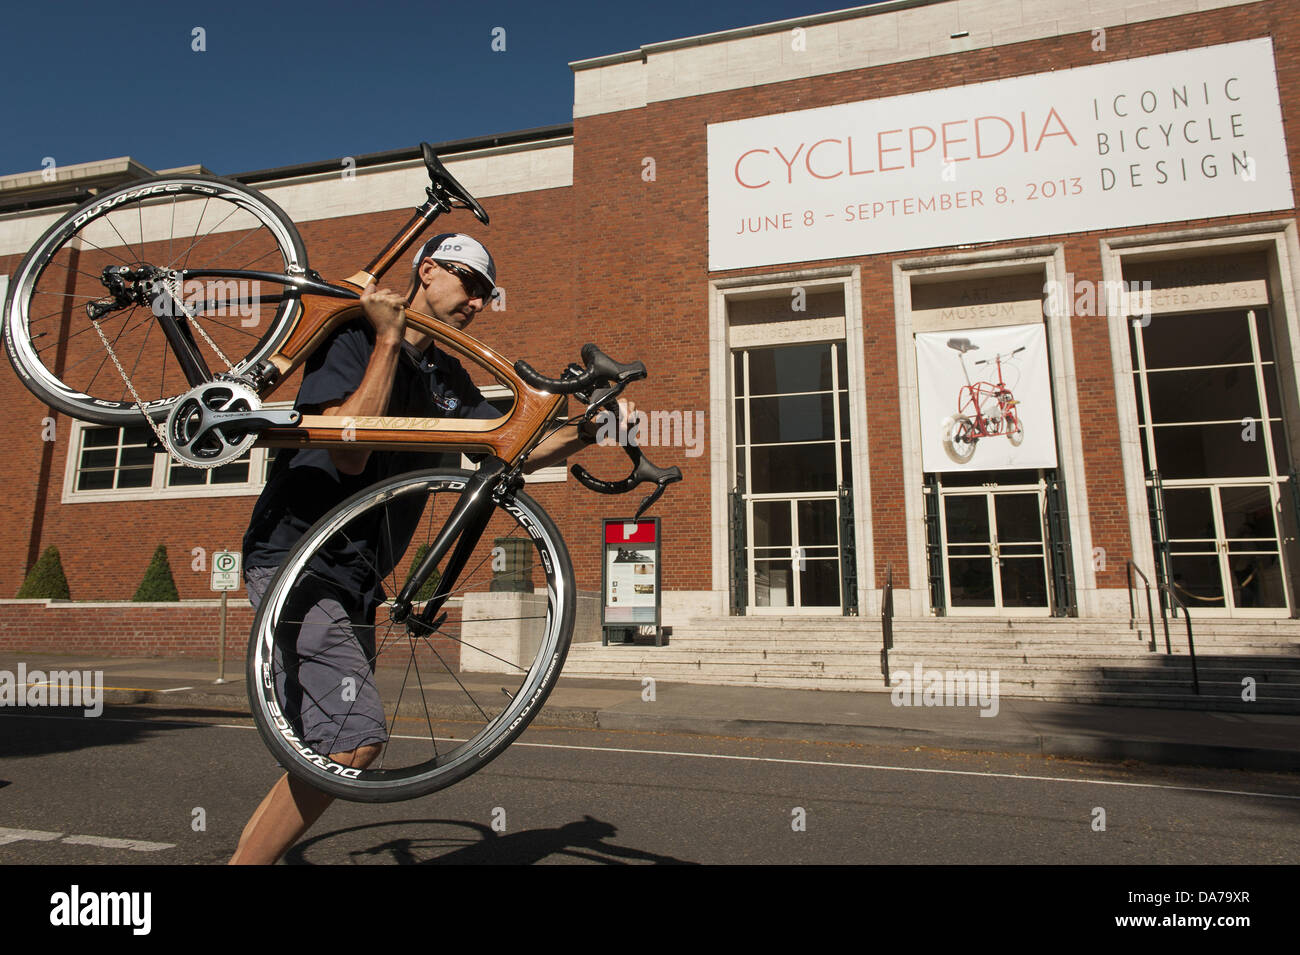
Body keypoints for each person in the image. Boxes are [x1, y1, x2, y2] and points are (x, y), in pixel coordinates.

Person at [229, 233, 594, 864]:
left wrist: (590, 431)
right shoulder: (352, 335)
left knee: (328, 751)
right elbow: (350, 446)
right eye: (469, 284)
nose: (478, 302)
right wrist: (390, 342)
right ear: (427, 271)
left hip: (356, 580)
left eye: (486, 293)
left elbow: (509, 450)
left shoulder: (448, 377)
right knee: (354, 743)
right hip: (297, 561)